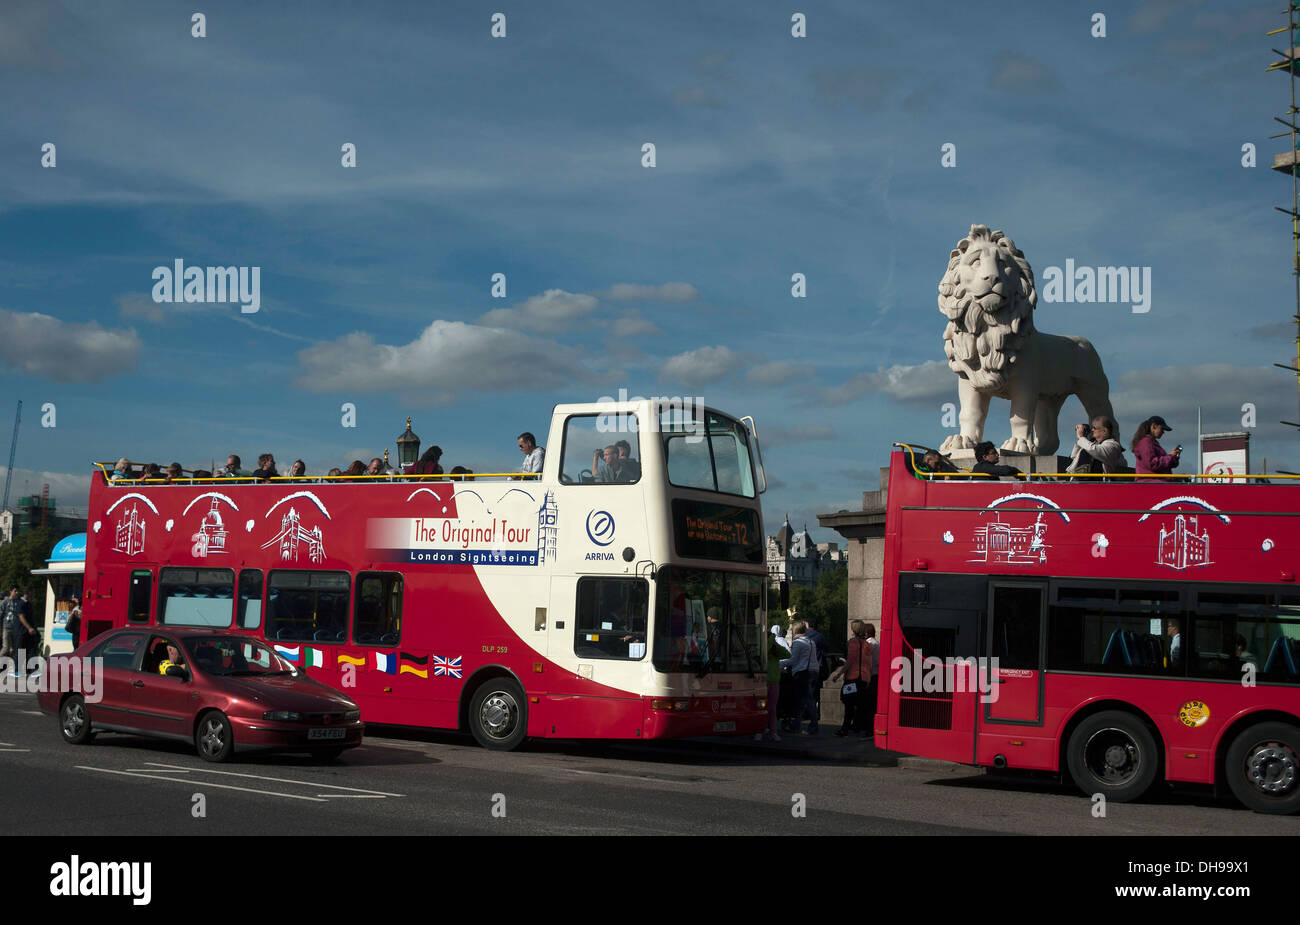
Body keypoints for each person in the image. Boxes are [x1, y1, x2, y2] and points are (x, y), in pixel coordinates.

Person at [779, 622, 820, 734]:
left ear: (795, 631)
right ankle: (797, 725)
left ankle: (812, 726)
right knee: (803, 700)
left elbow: (793, 660)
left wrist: (779, 664)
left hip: (803, 672)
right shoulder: (811, 641)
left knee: (805, 700)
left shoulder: (798, 643)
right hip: (814, 671)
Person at [837, 620, 872, 736]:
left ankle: (845, 729)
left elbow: (850, 661)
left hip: (852, 678)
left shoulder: (853, 642)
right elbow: (869, 663)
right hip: (863, 678)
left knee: (849, 704)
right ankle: (863, 728)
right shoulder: (867, 644)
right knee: (862, 705)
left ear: (853, 630)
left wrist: (839, 674)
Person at [755, 625, 787, 743]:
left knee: (772, 709)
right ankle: (760, 731)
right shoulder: (764, 652)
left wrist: (775, 644)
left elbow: (787, 654)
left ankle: (773, 731)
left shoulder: (775, 653)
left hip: (774, 682)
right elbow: (765, 649)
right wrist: (770, 639)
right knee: (761, 709)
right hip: (763, 683)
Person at [1132, 416, 1181, 481]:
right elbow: (1152, 464)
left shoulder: (1151, 442)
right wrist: (1170, 456)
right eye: (1162, 429)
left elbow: (1165, 464)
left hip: (1156, 482)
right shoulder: (1145, 442)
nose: (1163, 432)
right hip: (1150, 483)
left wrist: (1174, 457)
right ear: (1154, 426)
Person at [11, 589, 37, 677]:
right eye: (33, 592)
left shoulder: (28, 604)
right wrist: (29, 628)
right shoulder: (21, 603)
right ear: (28, 593)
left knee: (29, 650)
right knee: (19, 651)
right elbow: (21, 617)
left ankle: (31, 670)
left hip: (27, 632)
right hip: (20, 631)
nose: (33, 595)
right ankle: (16, 670)